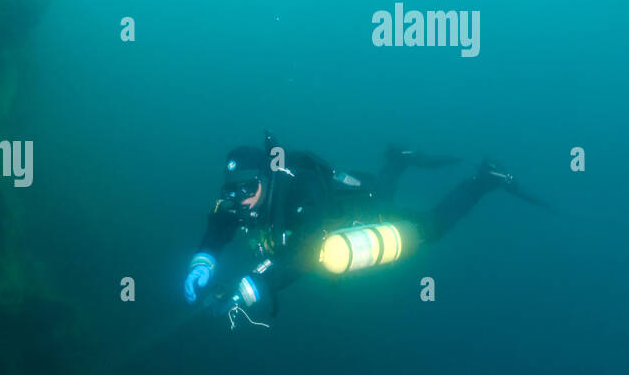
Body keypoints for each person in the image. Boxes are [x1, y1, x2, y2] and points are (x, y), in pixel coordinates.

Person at [182, 132, 541, 324]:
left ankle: (484, 179)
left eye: (247, 188)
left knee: (429, 229)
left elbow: (307, 250)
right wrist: (204, 259)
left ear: (265, 178)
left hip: (355, 213)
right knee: (382, 194)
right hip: (349, 205)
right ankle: (397, 159)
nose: (239, 198)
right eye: (232, 190)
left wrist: (250, 286)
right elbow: (220, 225)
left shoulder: (300, 188)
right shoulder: (241, 201)